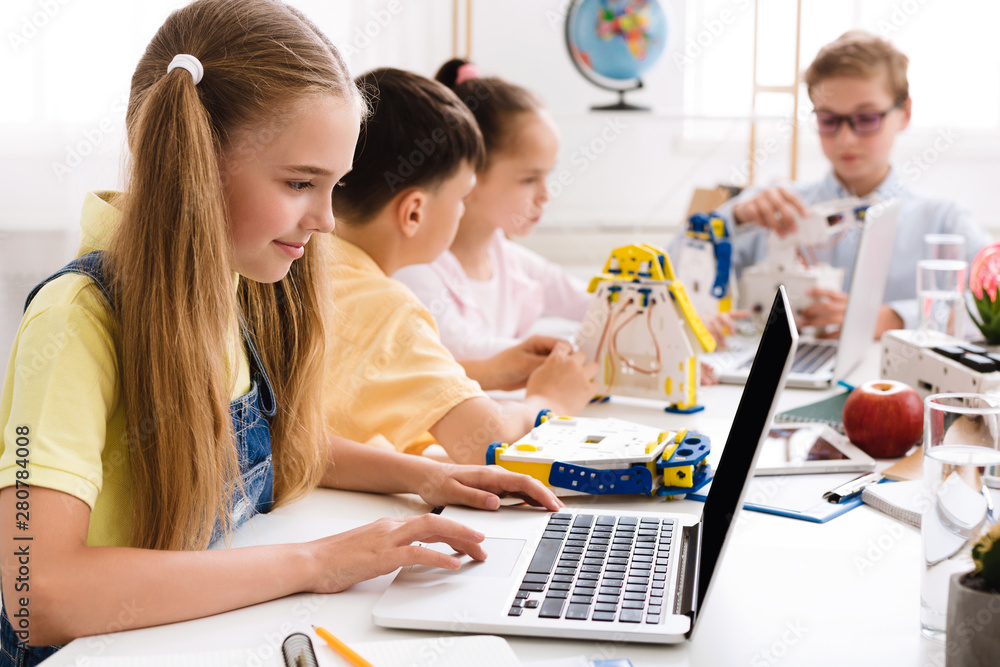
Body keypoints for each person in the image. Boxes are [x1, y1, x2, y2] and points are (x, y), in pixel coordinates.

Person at [0, 3, 560, 662]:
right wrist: (316, 561)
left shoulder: (237, 282)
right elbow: (37, 592)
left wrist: (431, 478)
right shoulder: (75, 320)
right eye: (300, 183)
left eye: (335, 186)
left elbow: (271, 445)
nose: (327, 219)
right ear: (191, 165)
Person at [327, 67, 598, 464]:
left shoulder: (309, 268)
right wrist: (549, 401)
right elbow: (486, 443)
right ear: (414, 213)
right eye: (461, 197)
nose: (461, 211)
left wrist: (488, 370)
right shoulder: (386, 308)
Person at [714, 30, 990, 338]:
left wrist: (891, 319)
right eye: (829, 120)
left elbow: (994, 304)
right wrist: (736, 218)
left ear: (905, 113)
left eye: (866, 118)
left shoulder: (944, 221)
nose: (845, 139)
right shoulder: (768, 209)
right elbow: (676, 280)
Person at [393, 59, 593, 361]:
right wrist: (565, 352)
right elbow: (462, 350)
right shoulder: (416, 269)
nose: (545, 195)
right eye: (529, 179)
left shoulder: (508, 260)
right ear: (468, 177)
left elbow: (589, 302)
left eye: (548, 174)